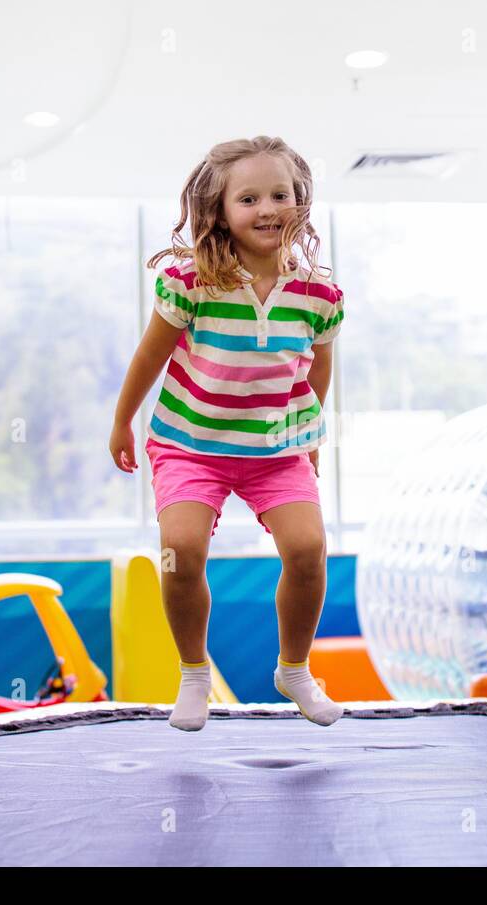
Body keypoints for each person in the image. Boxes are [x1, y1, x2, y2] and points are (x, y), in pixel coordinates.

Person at [109, 136, 346, 732]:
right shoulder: (192, 282)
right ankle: (193, 674)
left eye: (280, 194)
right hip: (191, 445)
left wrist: (309, 435)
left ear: (300, 201)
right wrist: (122, 421)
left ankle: (294, 668)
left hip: (276, 451)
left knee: (308, 549)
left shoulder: (319, 295)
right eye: (249, 198)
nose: (268, 208)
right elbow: (150, 357)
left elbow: (317, 370)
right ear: (219, 211)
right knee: (180, 552)